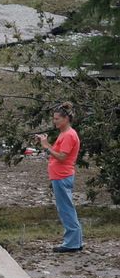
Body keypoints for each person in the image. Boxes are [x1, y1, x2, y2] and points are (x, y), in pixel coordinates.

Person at [36, 103, 83, 253]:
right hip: (60, 175)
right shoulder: (65, 133)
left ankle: (72, 243)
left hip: (62, 176)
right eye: (54, 118)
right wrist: (45, 143)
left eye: (57, 119)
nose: (54, 121)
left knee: (66, 209)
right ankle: (75, 241)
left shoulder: (69, 135)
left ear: (66, 119)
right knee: (66, 208)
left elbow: (62, 157)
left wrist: (46, 146)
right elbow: (58, 152)